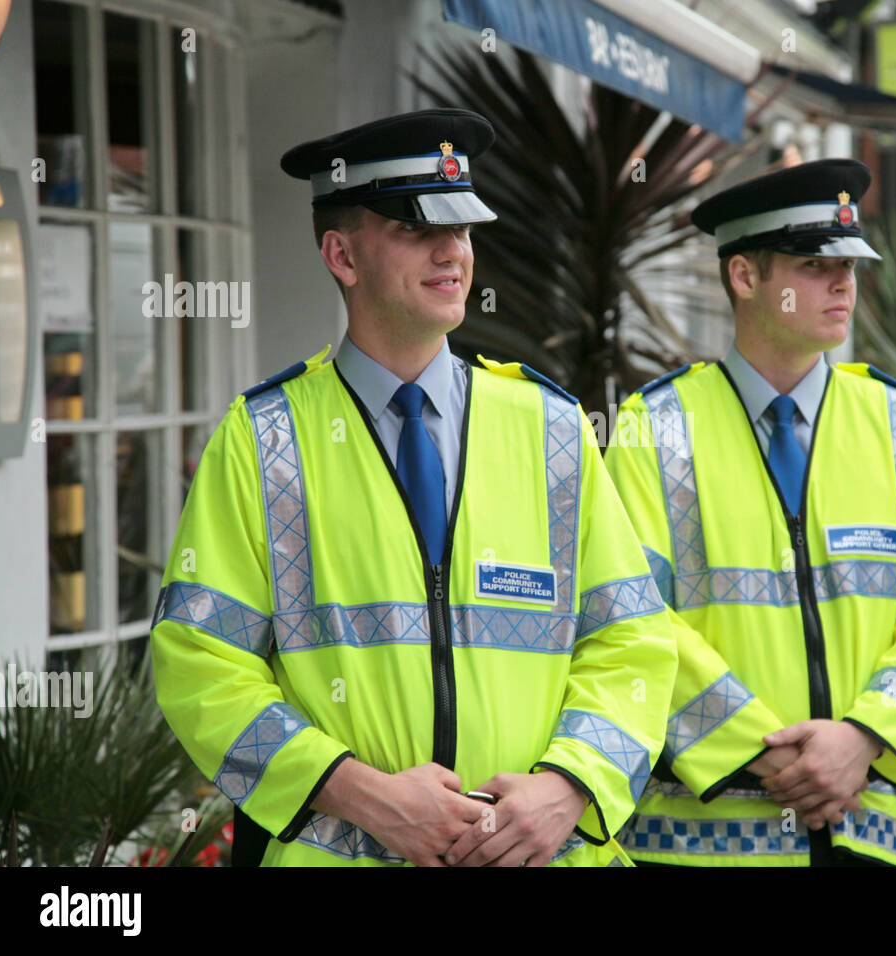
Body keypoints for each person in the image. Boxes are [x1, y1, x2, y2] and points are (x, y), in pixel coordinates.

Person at [149, 109, 677, 866]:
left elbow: (633, 639)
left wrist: (570, 785)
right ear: (342, 254)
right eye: (415, 228)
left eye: (462, 228)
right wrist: (360, 792)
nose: (453, 250)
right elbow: (199, 662)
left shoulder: (553, 427)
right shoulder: (264, 440)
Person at [603, 160, 896, 866]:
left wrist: (864, 736)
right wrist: (772, 757)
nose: (844, 282)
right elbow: (632, 616)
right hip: (706, 842)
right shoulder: (651, 429)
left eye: (849, 262)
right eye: (816, 264)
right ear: (745, 277)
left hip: (876, 827)